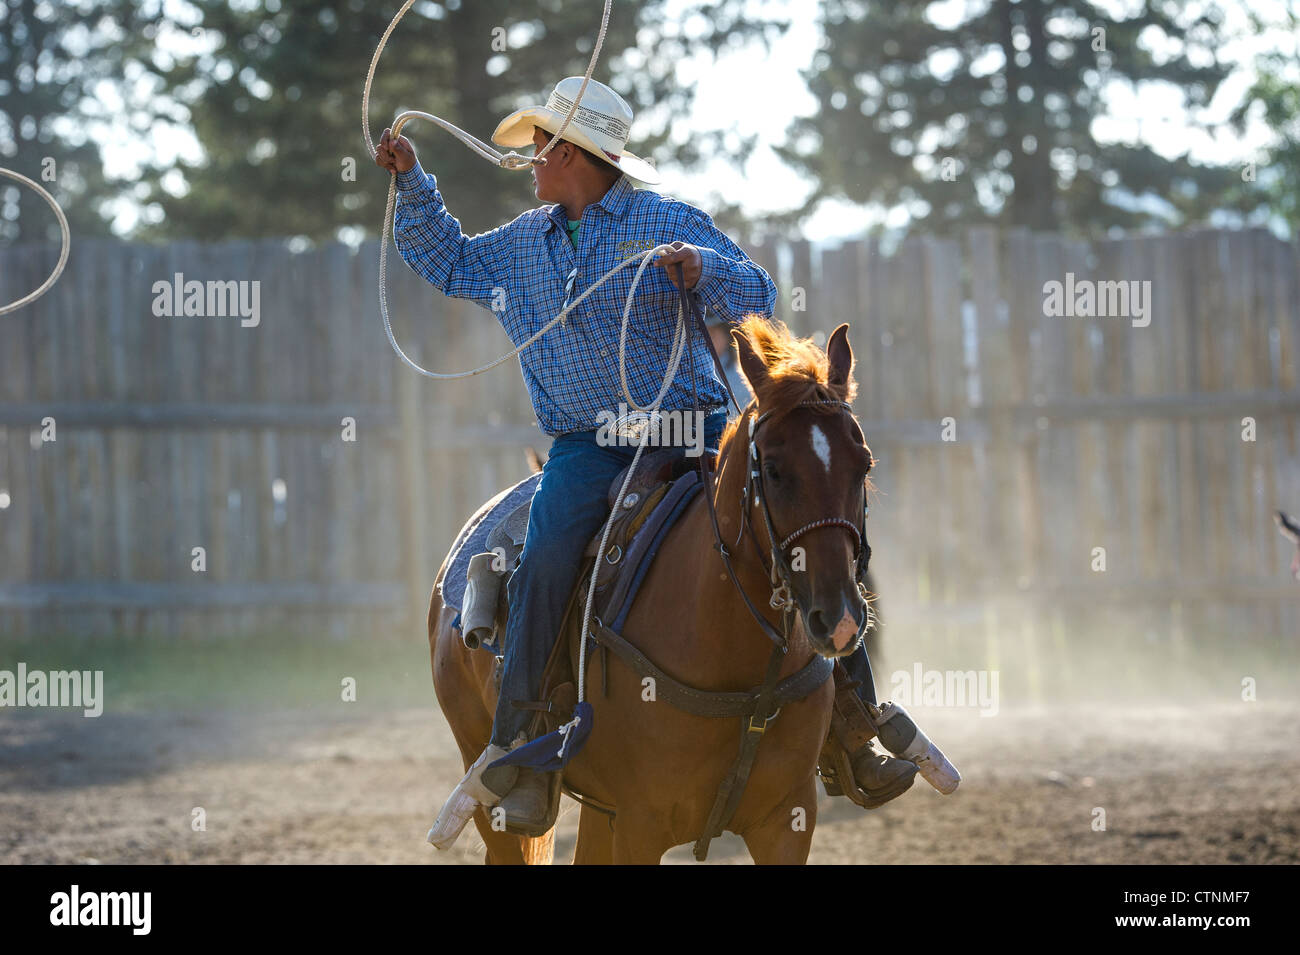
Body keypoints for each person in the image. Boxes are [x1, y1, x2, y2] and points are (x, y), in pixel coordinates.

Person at [375, 76, 914, 835]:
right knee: (552, 542)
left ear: (571, 152)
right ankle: (524, 746)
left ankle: (853, 724)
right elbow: (448, 262)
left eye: (540, 145)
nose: (531, 159)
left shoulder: (667, 223)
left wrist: (704, 269)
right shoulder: (521, 246)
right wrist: (410, 181)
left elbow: (755, 292)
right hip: (589, 449)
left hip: (691, 438)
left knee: (803, 520)